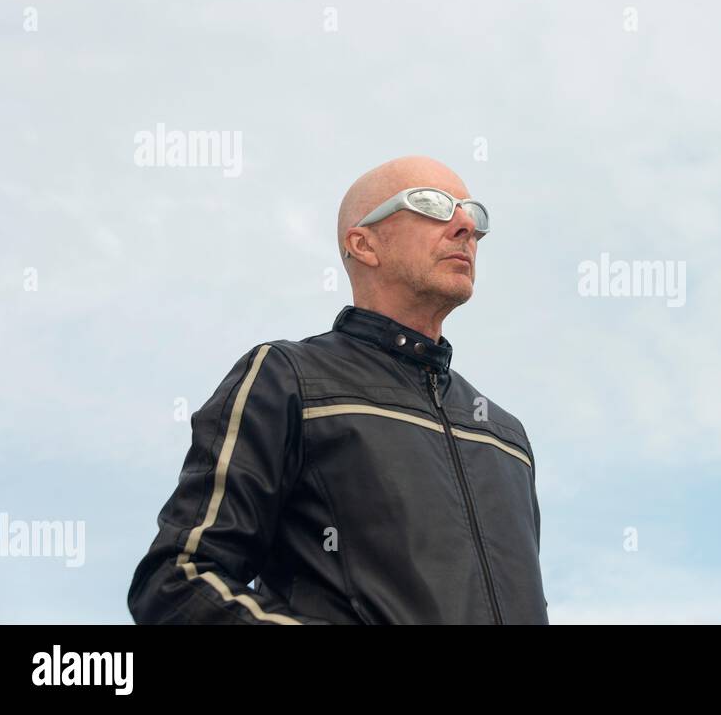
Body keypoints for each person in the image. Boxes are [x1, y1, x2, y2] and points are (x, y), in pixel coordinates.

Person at [127, 155, 548, 624]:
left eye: (473, 213)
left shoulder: (505, 438)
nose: (466, 226)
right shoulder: (288, 380)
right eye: (432, 204)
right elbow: (176, 581)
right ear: (363, 244)